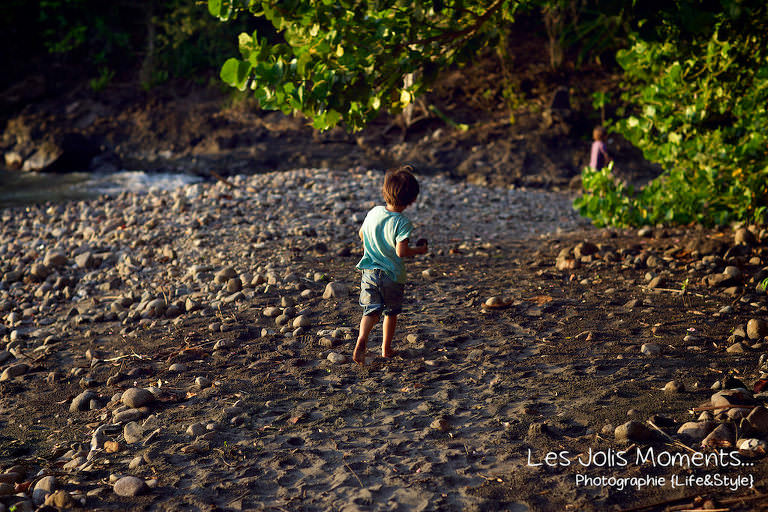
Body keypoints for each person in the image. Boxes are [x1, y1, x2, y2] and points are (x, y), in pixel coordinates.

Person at [353, 165, 428, 366]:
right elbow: (401, 252)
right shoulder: (402, 223)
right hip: (392, 276)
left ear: (385, 192)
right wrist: (419, 251)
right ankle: (386, 348)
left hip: (369, 271)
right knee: (390, 312)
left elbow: (361, 234)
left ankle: (362, 339)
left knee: (370, 310)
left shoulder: (374, 212)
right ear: (412, 200)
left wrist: (372, 245)